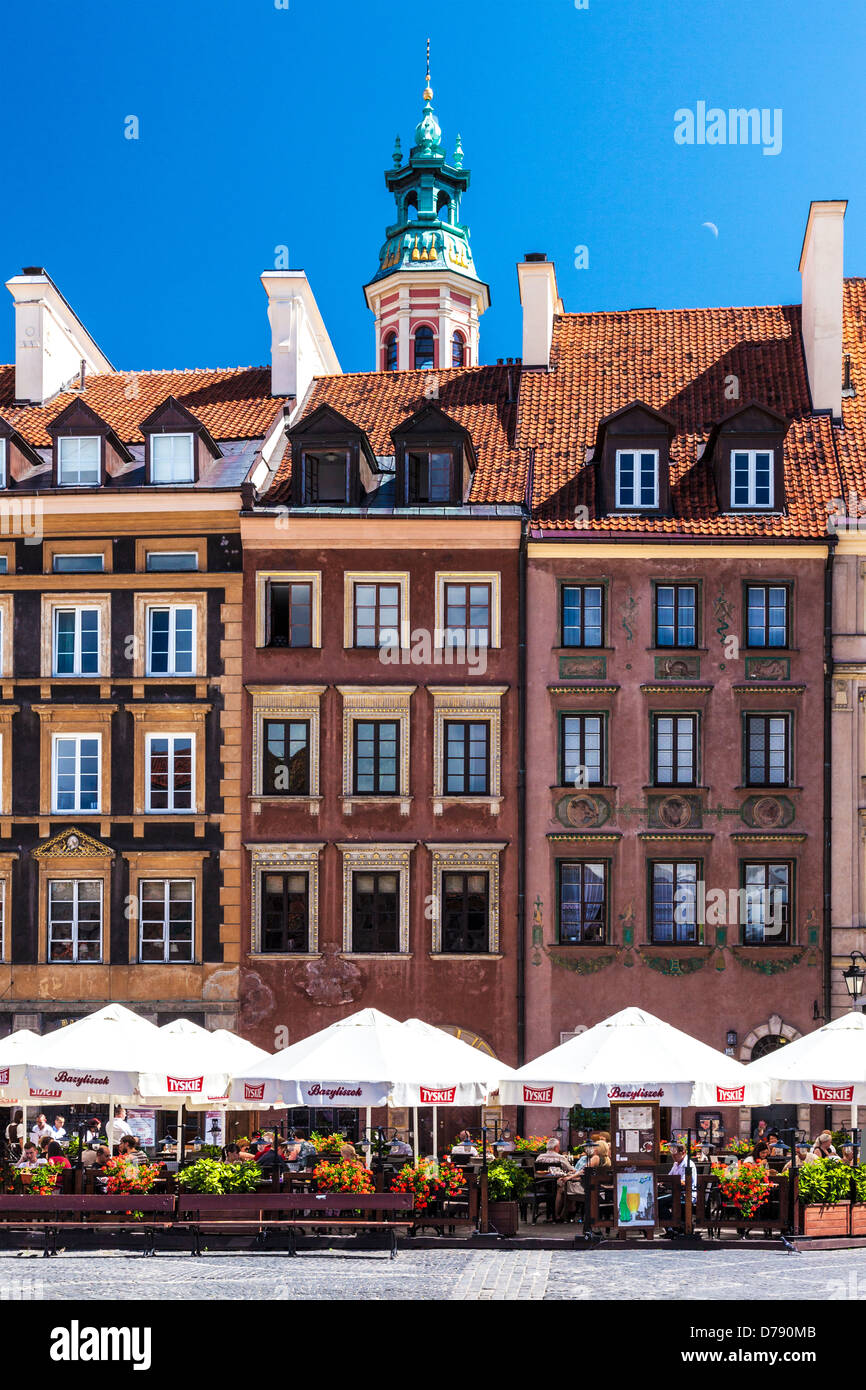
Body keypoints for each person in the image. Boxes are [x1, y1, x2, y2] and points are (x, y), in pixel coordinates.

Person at [660, 1142, 697, 1233]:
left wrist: (671, 1181)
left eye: (675, 1154)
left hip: (686, 1195)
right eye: (672, 1154)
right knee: (658, 1202)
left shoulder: (688, 1164)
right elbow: (669, 1177)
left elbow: (684, 1183)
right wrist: (661, 1182)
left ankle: (673, 1227)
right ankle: (672, 1227)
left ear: (683, 1153)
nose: (673, 1156)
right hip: (677, 1194)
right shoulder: (676, 1164)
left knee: (659, 1203)